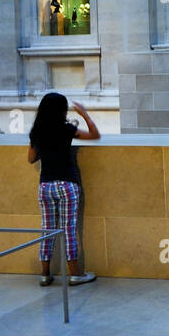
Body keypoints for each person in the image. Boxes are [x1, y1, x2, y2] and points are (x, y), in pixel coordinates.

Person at [27, 93, 99, 287]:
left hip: (46, 186)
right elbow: (94, 135)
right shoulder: (67, 129)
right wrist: (84, 114)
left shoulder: (36, 132)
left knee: (47, 230)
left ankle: (44, 274)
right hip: (67, 184)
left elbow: (31, 158)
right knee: (69, 230)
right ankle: (75, 274)